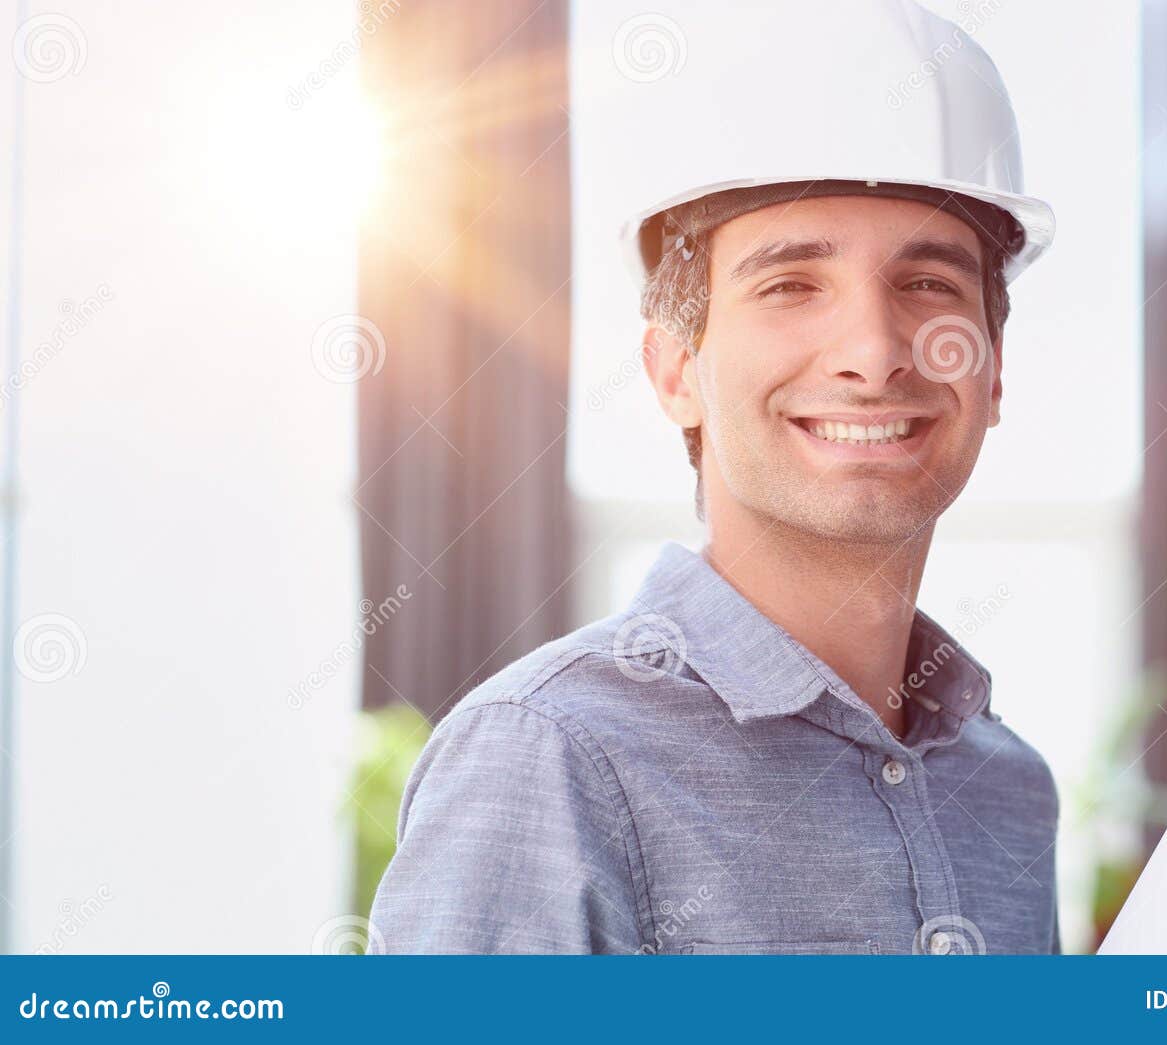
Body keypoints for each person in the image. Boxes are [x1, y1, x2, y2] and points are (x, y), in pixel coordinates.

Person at [371, 0, 1060, 955]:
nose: (873, 352)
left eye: (929, 283)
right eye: (790, 285)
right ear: (674, 371)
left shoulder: (1010, 788)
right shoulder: (545, 758)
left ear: (991, 374)